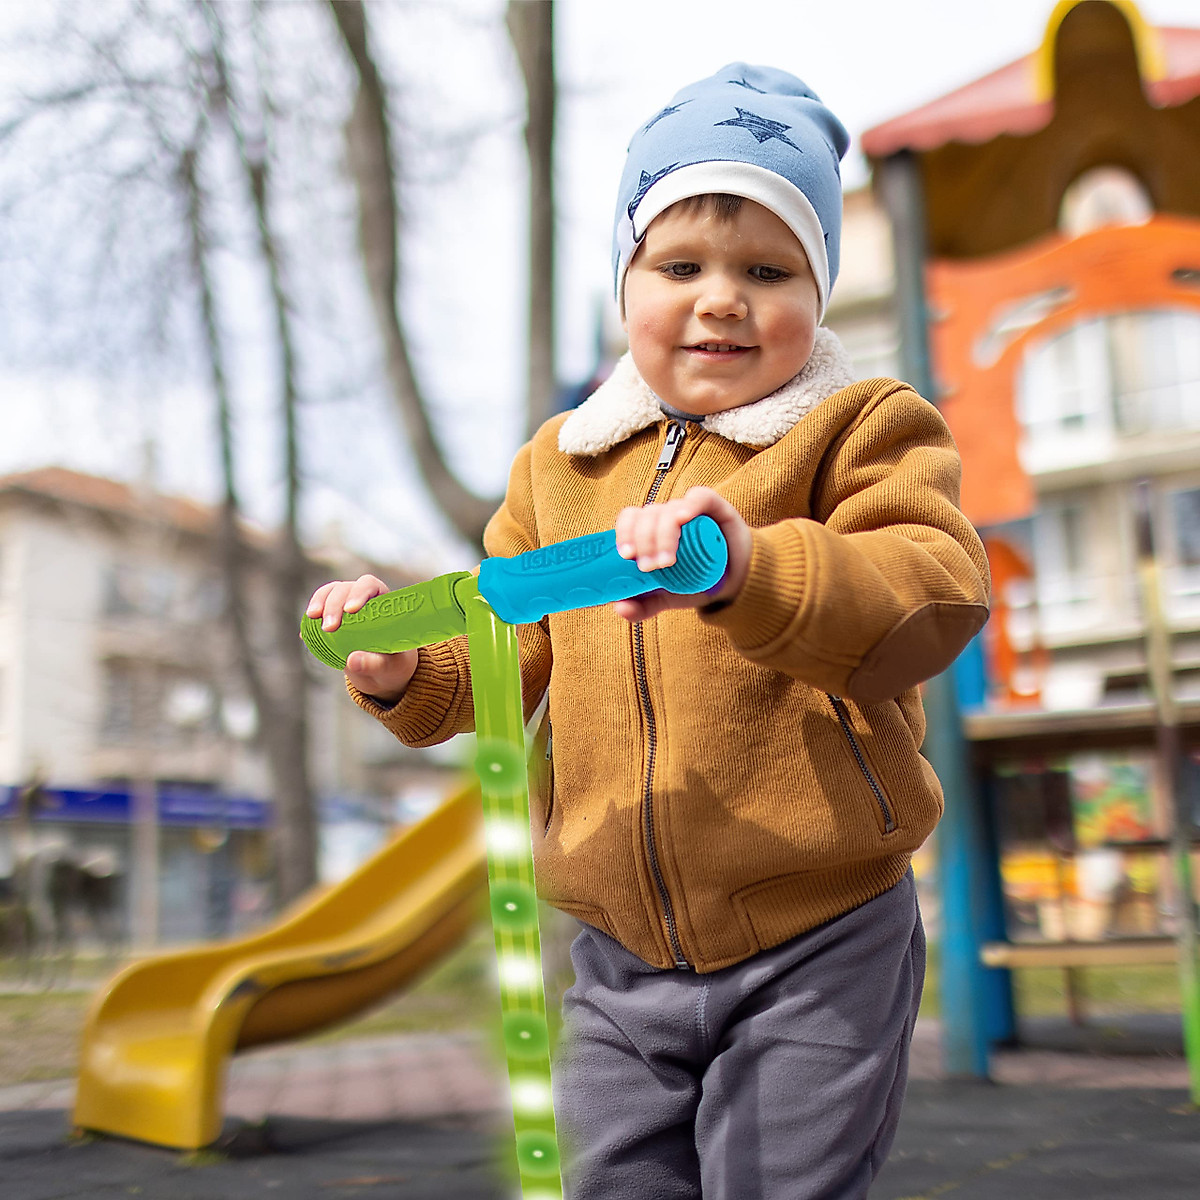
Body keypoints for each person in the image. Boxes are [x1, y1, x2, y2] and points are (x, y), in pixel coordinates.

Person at [307, 63, 990, 1200]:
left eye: (768, 270)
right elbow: (508, 643)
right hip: (619, 956)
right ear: (627, 284)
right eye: (680, 266)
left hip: (817, 930)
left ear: (817, 292)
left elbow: (926, 593)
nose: (721, 298)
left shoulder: (859, 431)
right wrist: (397, 666)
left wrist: (753, 569)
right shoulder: (560, 467)